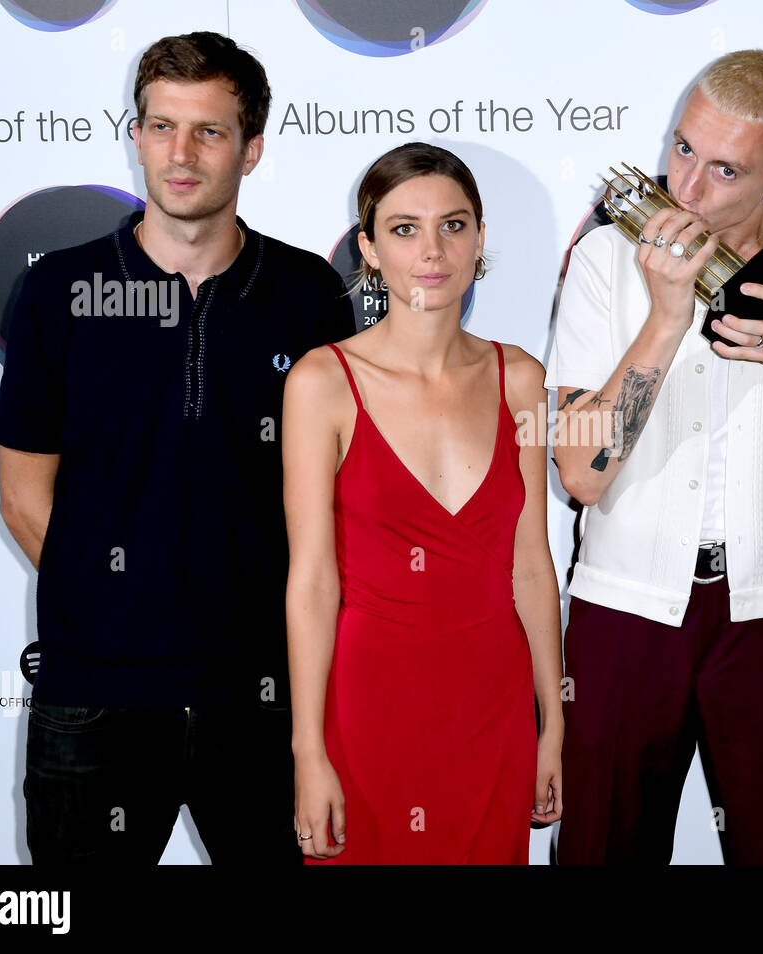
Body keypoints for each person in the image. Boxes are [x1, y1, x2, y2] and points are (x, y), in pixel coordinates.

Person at [0, 31, 356, 864]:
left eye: (209, 131)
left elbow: (337, 500)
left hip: (266, 699)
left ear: (252, 148)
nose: (180, 154)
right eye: (161, 127)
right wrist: (117, 612)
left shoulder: (307, 298)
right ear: (136, 135)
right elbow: (22, 493)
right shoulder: (59, 289)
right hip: (95, 699)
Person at [547, 49, 763, 864]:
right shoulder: (603, 260)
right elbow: (579, 476)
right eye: (682, 150)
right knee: (602, 848)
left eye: (726, 169)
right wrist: (664, 317)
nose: (688, 189)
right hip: (624, 605)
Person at [284, 142, 563, 864]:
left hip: (493, 709)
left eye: (454, 225)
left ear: (478, 241)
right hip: (369, 707)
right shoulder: (323, 381)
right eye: (405, 229)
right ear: (369, 249)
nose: (432, 251)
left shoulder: (521, 380)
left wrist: (552, 725)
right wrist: (308, 752)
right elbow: (312, 582)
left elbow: (532, 565)